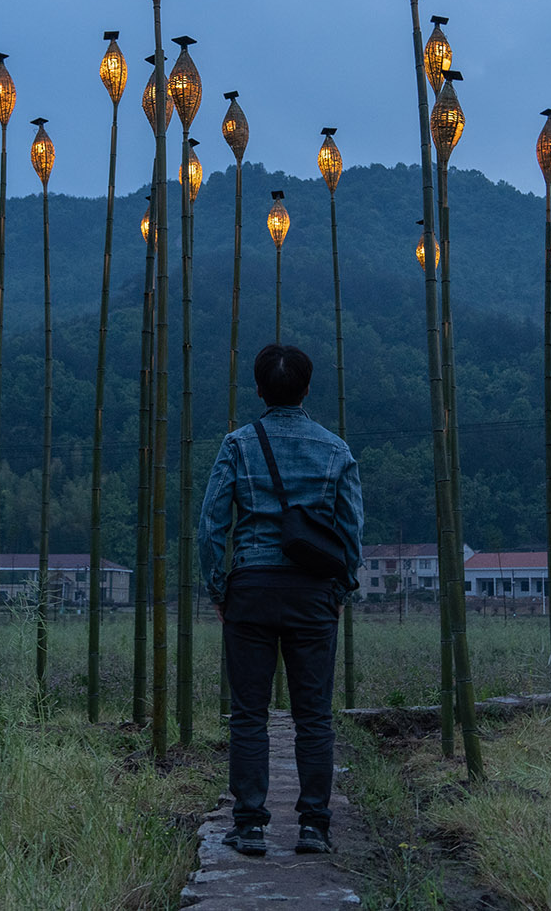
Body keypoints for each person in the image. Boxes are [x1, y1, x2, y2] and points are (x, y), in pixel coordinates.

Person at [197, 342, 363, 857]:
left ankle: (249, 825)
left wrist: (218, 588)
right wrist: (340, 588)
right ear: (307, 388)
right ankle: (314, 825)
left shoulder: (238, 445)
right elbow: (352, 531)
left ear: (260, 389)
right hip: (313, 594)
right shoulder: (335, 450)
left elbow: (210, 527)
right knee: (314, 715)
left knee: (249, 714)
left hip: (251, 587)